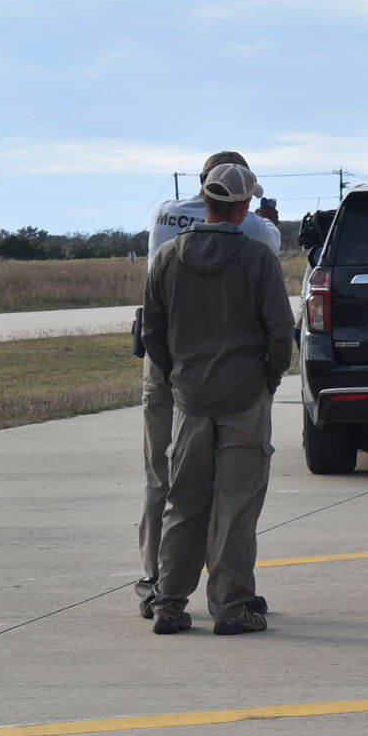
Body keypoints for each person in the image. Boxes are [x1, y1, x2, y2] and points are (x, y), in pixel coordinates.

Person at [140, 162, 295, 635]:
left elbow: (154, 332)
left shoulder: (167, 257)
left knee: (183, 502)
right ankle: (230, 605)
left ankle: (169, 601)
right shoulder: (257, 257)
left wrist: (178, 377)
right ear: (244, 206)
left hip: (190, 399)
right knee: (236, 504)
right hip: (243, 398)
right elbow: (279, 330)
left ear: (205, 201)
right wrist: (269, 379)